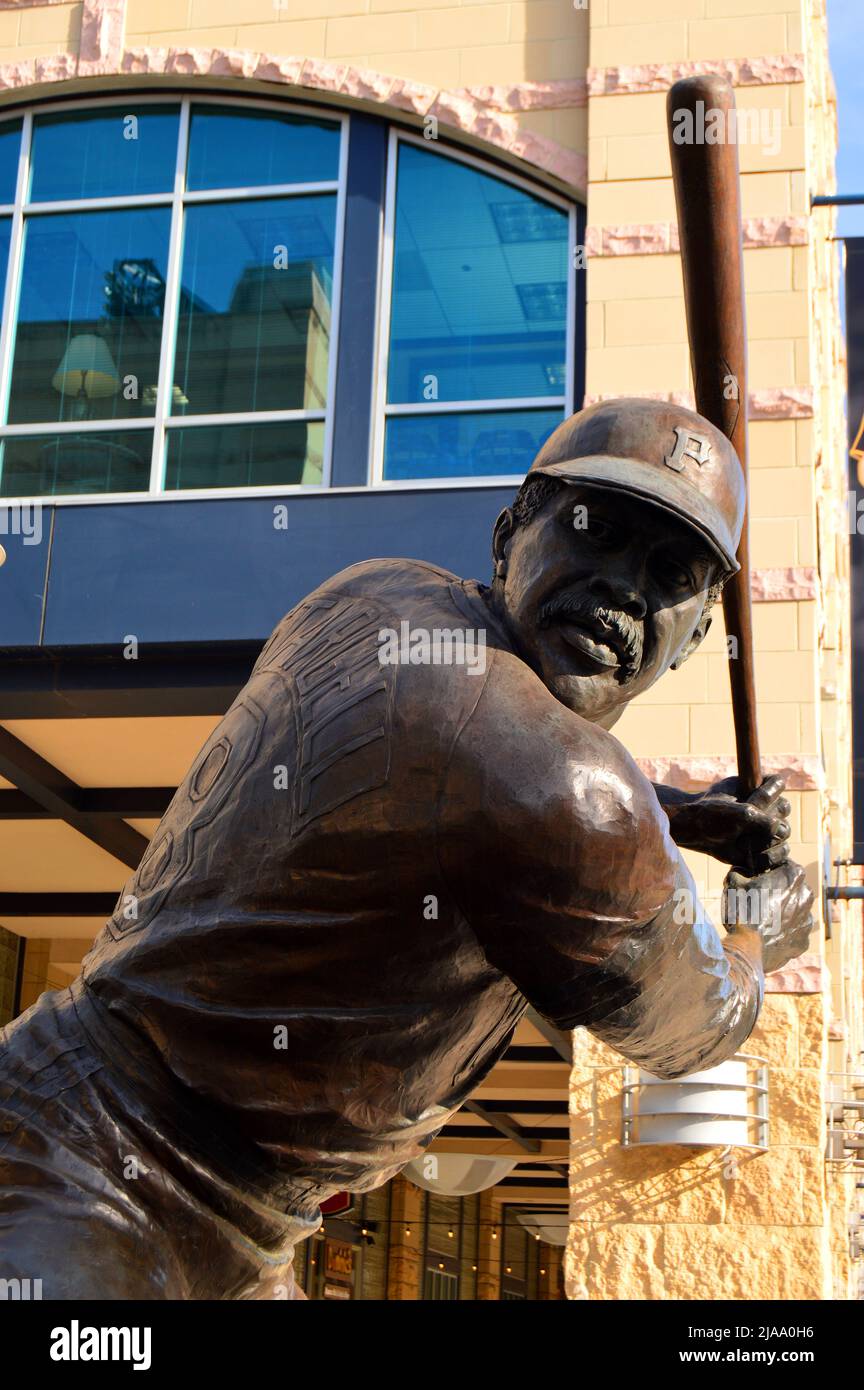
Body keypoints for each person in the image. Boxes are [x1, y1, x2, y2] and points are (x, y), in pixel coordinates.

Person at [0, 398, 813, 1299]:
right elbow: (690, 1027)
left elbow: (478, 784)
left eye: (669, 574)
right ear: (514, 531)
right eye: (599, 532)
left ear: (696, 635)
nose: (622, 589)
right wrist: (758, 932)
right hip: (95, 1180)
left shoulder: (374, 594)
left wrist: (676, 817)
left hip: (189, 1191)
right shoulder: (574, 795)